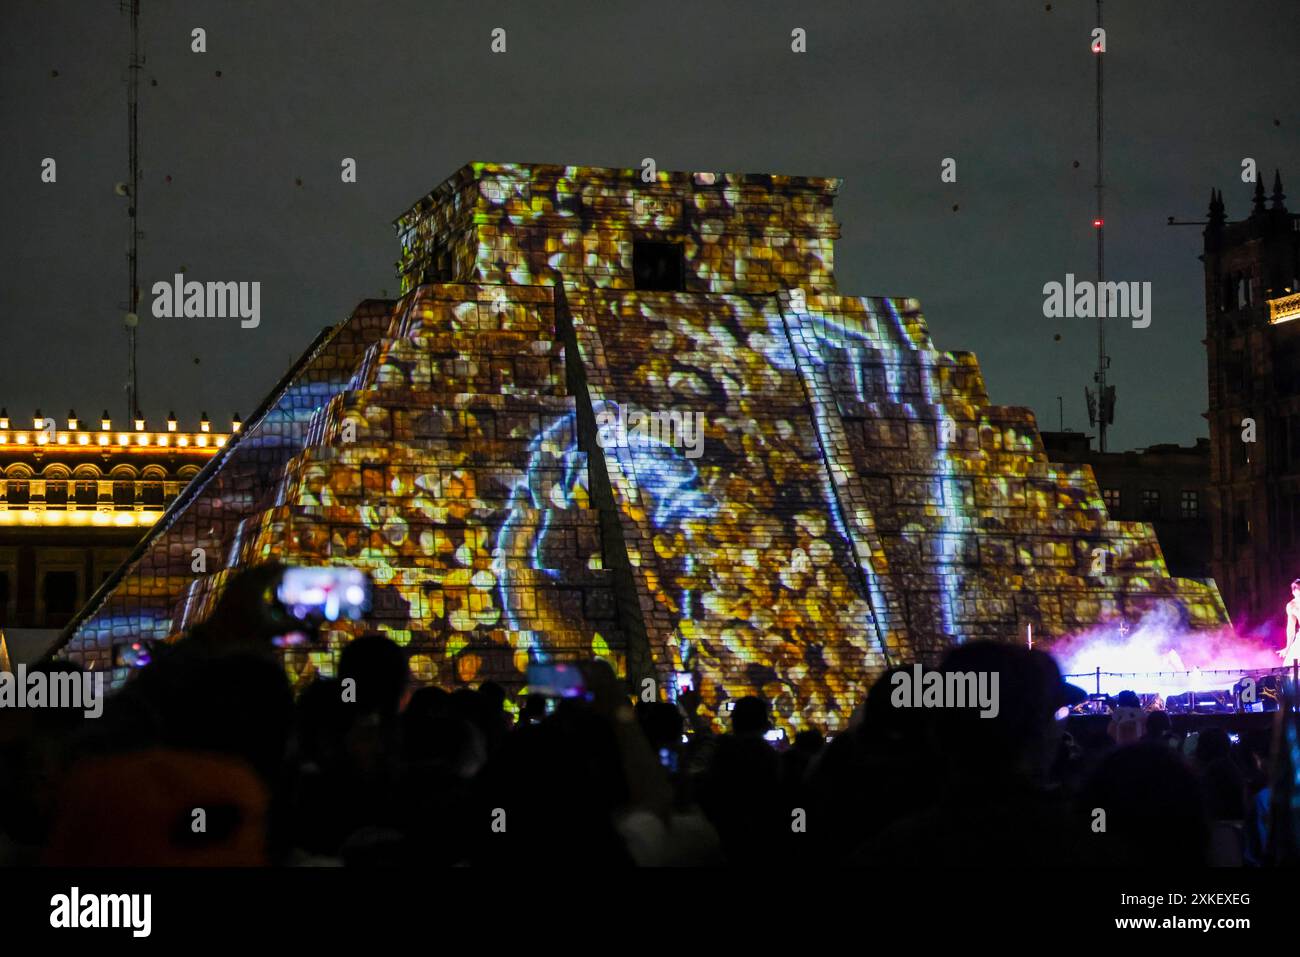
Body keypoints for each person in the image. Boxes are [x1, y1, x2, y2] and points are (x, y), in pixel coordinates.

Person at [1278, 579, 1300, 664]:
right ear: (1293, 592)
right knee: (1289, 665)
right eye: (1298, 589)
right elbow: (1291, 628)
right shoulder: (1291, 606)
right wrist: (1288, 647)